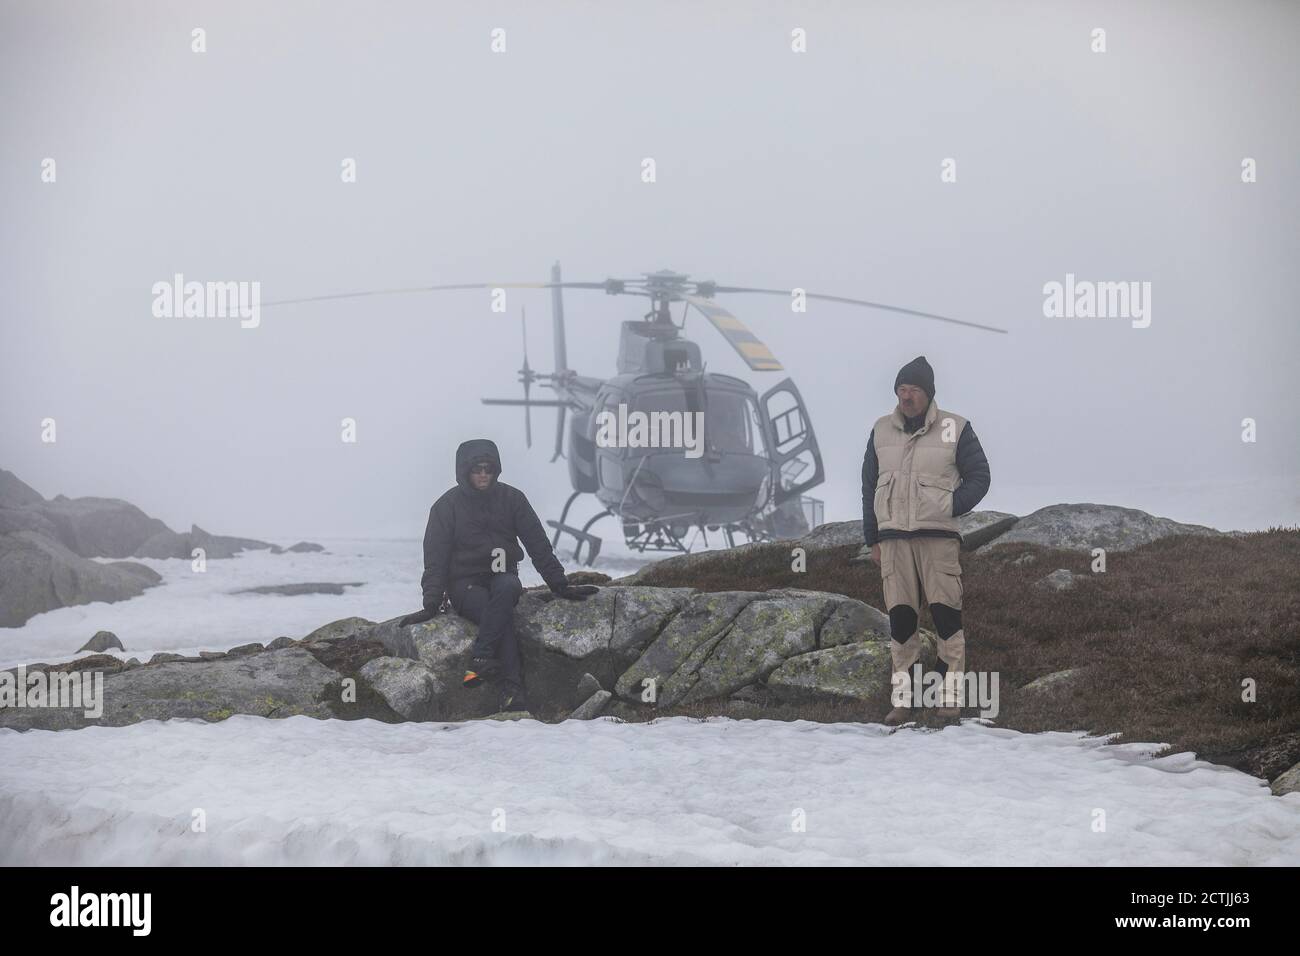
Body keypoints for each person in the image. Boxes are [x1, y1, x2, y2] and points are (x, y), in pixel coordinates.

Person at [398, 438, 598, 711]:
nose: (483, 474)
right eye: (477, 469)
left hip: (503, 578)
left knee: (505, 589)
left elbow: (538, 544)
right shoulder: (446, 507)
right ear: (464, 471)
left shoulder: (513, 499)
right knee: (499, 615)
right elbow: (435, 559)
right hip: (464, 585)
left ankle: (481, 660)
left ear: (496, 470)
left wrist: (560, 584)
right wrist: (430, 604)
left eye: (488, 469)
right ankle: (513, 690)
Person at [861, 356, 990, 724]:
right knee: (901, 624)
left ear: (928, 393)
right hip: (893, 542)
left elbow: (980, 476)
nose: (906, 396)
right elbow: (869, 485)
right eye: (901, 390)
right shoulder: (881, 430)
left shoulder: (955, 427)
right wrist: (873, 538)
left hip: (938, 541)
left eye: (913, 390)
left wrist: (950, 505)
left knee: (947, 619)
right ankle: (904, 702)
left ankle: (948, 701)